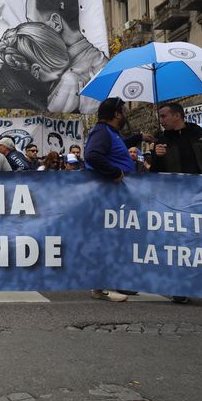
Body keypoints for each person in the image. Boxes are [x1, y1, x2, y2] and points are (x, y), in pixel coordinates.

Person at [150, 102, 202, 305]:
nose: (161, 121)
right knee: (180, 243)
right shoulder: (161, 141)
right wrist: (157, 157)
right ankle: (181, 286)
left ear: (177, 116)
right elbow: (154, 174)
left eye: (163, 116)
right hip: (177, 200)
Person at [84, 98, 150, 302]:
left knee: (115, 240)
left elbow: (118, 147)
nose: (126, 113)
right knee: (108, 240)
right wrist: (115, 172)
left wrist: (138, 137)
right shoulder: (102, 131)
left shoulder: (111, 133)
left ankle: (106, 284)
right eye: (123, 109)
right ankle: (101, 286)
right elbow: (92, 155)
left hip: (116, 197)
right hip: (107, 196)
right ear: (117, 114)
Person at [25, 0, 107, 114]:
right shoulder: (54, 65)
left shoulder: (95, 69)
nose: (29, 34)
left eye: (33, 25)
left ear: (56, 23)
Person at [0, 22, 70, 110]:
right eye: (59, 74)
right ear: (36, 70)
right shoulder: (21, 98)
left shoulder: (11, 70)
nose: (61, 77)